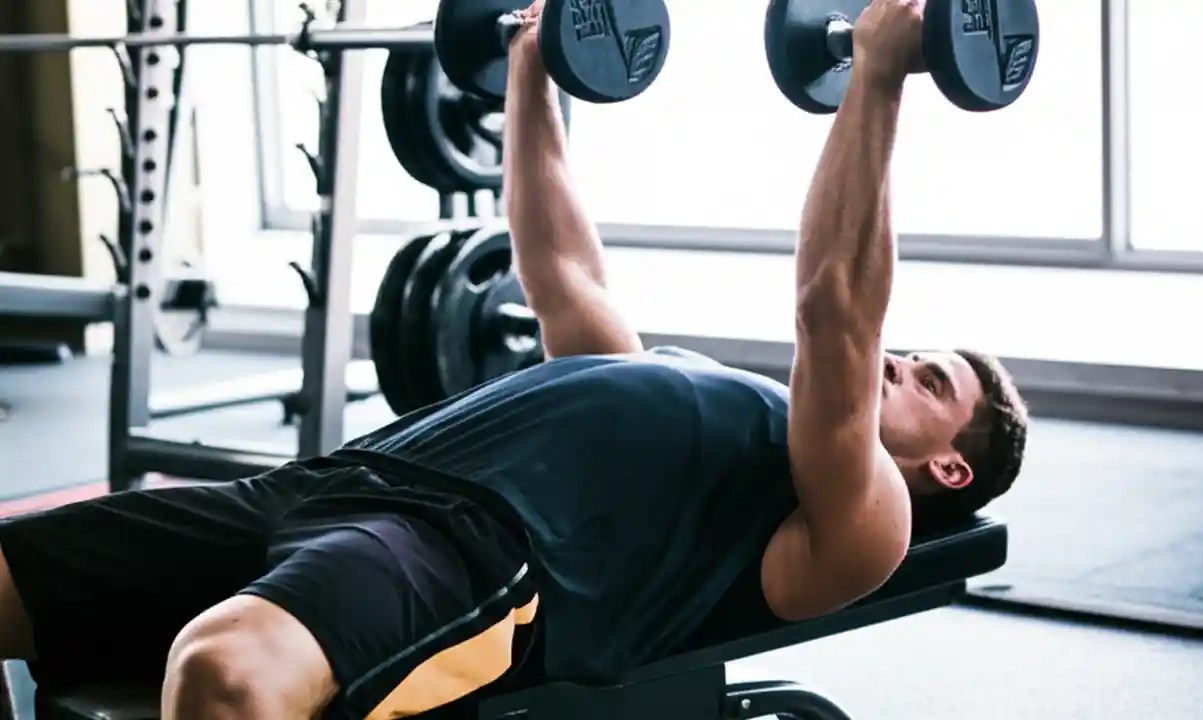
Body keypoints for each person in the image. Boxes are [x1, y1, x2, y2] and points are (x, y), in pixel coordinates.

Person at [0, 1, 1028, 718]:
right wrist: (533, 63)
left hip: (468, 555)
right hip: (314, 488)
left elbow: (832, 317)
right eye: (911, 355)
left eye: (929, 380)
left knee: (224, 670)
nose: (897, 362)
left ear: (948, 466)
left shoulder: (863, 525)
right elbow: (560, 270)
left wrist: (878, 83)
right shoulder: (675, 385)